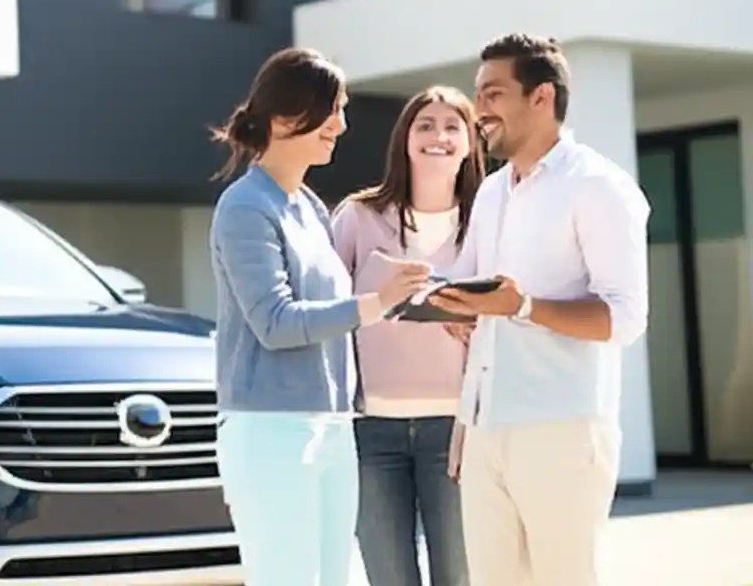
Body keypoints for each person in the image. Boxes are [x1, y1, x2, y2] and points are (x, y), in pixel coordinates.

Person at [428, 33, 650, 586]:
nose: (480, 109)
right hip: (485, 431)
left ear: (542, 97)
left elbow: (624, 317)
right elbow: (482, 296)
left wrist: (522, 306)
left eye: (494, 94)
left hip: (563, 428)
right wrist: (451, 306)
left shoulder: (600, 186)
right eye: (479, 94)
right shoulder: (492, 193)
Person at [208, 46, 432, 586]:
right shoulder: (244, 207)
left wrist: (395, 295)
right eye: (332, 110)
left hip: (333, 427)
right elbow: (276, 322)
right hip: (271, 432)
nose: (342, 124)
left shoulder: (308, 205)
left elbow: (332, 312)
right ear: (286, 117)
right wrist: (373, 303)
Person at [331, 85, 485, 586]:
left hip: (457, 431)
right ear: (404, 139)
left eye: (451, 127)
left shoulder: (488, 222)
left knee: (459, 577)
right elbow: (327, 312)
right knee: (388, 577)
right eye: (424, 125)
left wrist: (481, 323)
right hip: (371, 432)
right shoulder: (358, 216)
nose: (437, 136)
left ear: (469, 143)